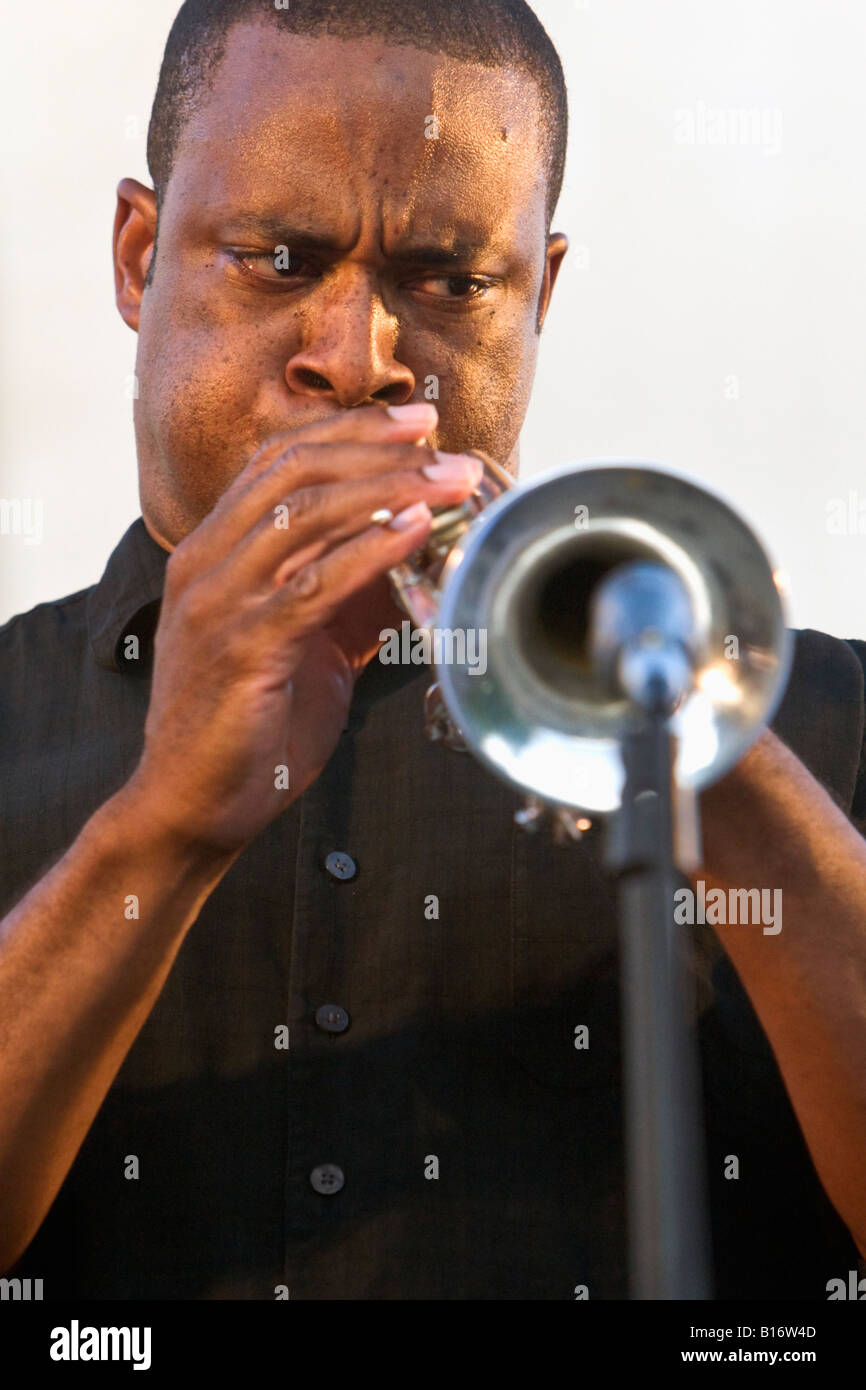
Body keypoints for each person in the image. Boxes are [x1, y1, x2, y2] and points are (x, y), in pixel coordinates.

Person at [1, 0, 865, 1301]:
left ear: (540, 296)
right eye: (279, 258)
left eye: (451, 281)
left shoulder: (822, 722)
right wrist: (158, 828)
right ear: (137, 257)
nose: (363, 360)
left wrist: (700, 738)